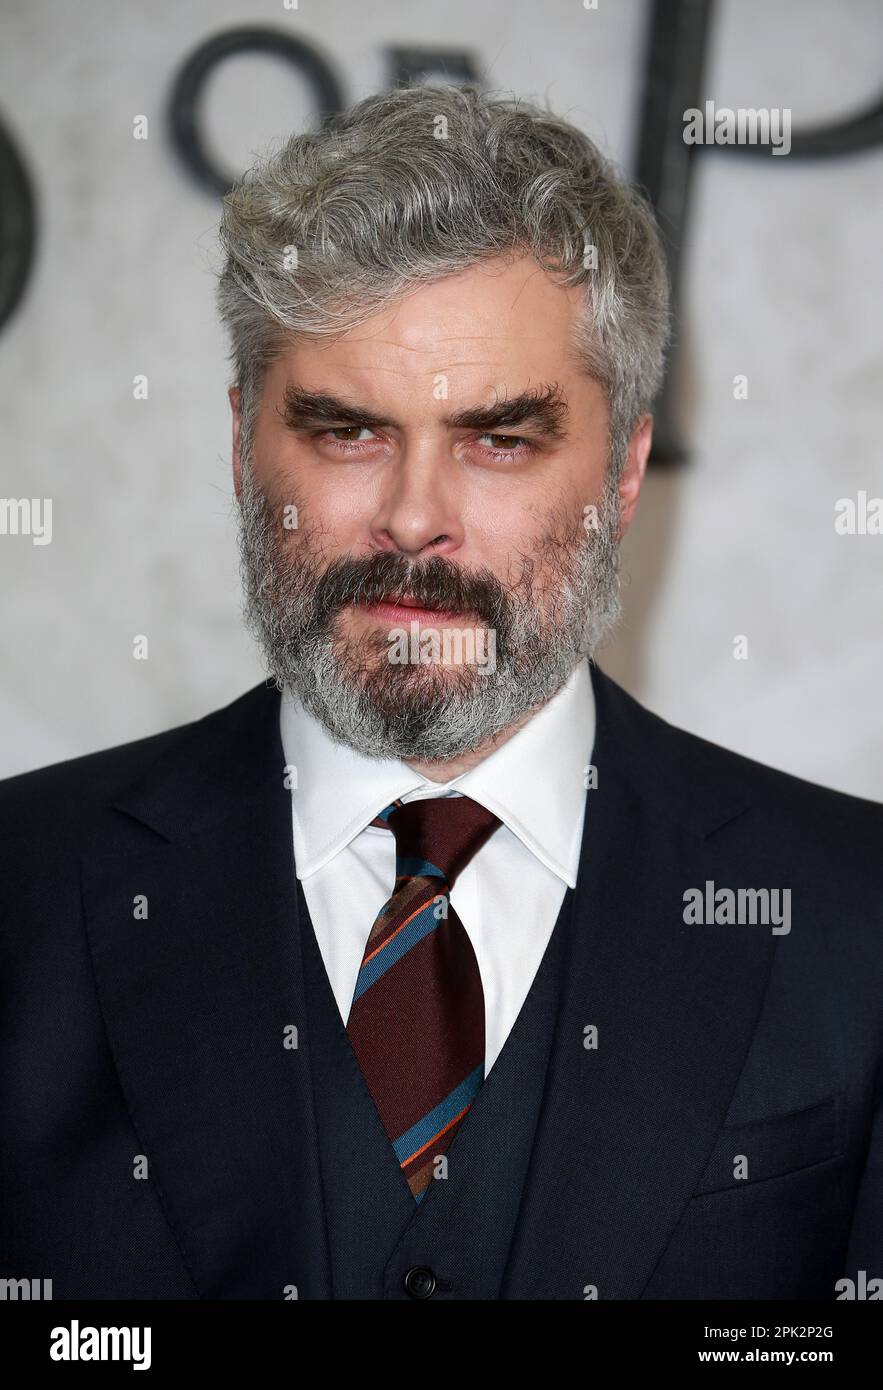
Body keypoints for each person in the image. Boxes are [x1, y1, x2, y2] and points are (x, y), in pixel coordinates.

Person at [1, 84, 880, 1301]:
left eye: (499, 440)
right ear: (242, 439)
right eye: (347, 432)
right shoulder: (22, 889)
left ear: (621, 471)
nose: (415, 518)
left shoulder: (853, 914)